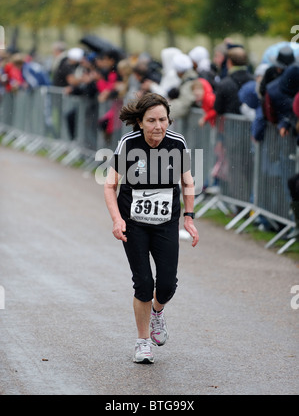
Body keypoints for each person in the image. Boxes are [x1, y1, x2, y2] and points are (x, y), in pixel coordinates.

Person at [104, 93, 199, 364]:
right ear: (140, 122)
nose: (158, 126)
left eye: (163, 120)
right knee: (144, 282)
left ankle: (157, 312)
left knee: (167, 285)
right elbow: (110, 185)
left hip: (165, 222)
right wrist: (116, 219)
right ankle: (143, 342)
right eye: (151, 120)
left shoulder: (177, 143)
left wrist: (189, 218)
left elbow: (187, 182)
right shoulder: (128, 144)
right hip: (133, 222)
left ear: (169, 120)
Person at [213, 47, 254, 116]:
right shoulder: (253, 80)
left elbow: (218, 108)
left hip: (230, 125)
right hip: (251, 125)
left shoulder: (224, 83)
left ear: (229, 62)